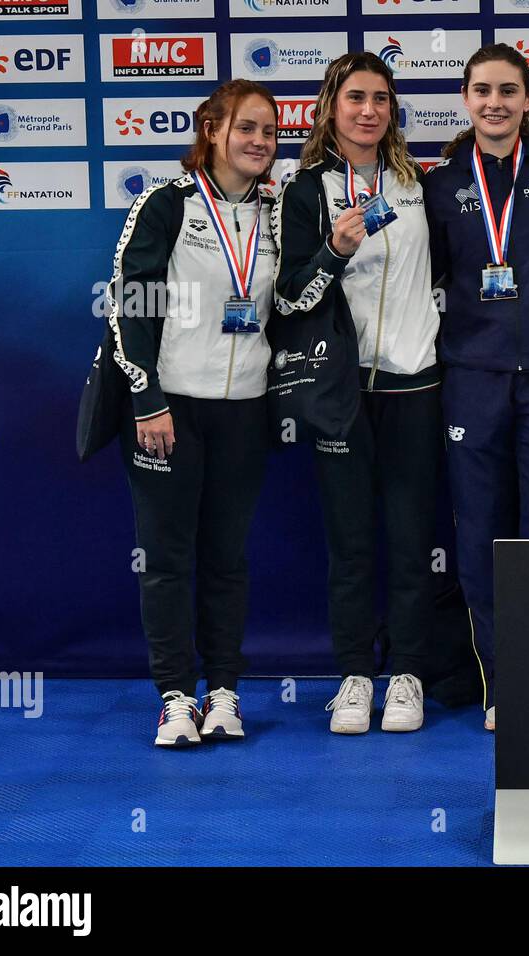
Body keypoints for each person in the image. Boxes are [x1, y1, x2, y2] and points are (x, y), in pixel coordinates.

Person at [273, 52, 442, 735]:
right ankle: (352, 675)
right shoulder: (307, 189)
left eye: (379, 98)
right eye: (355, 99)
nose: (368, 110)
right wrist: (335, 251)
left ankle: (406, 673)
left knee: (409, 538)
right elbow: (289, 297)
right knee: (349, 542)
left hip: (415, 384)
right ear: (331, 107)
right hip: (340, 392)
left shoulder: (419, 183)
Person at [423, 44, 529, 732]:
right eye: (483, 90)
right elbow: (431, 277)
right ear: (466, 99)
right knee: (482, 535)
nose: (495, 102)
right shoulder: (440, 183)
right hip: (473, 379)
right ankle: (501, 681)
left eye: (508, 91)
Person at [107, 79, 279, 747]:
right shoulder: (166, 204)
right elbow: (129, 303)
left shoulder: (278, 211)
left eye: (269, 131)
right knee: (169, 558)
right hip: (167, 410)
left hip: (245, 412)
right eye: (247, 128)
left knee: (227, 559)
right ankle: (176, 697)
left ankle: (225, 693)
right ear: (213, 130)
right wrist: (146, 396)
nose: (260, 141)